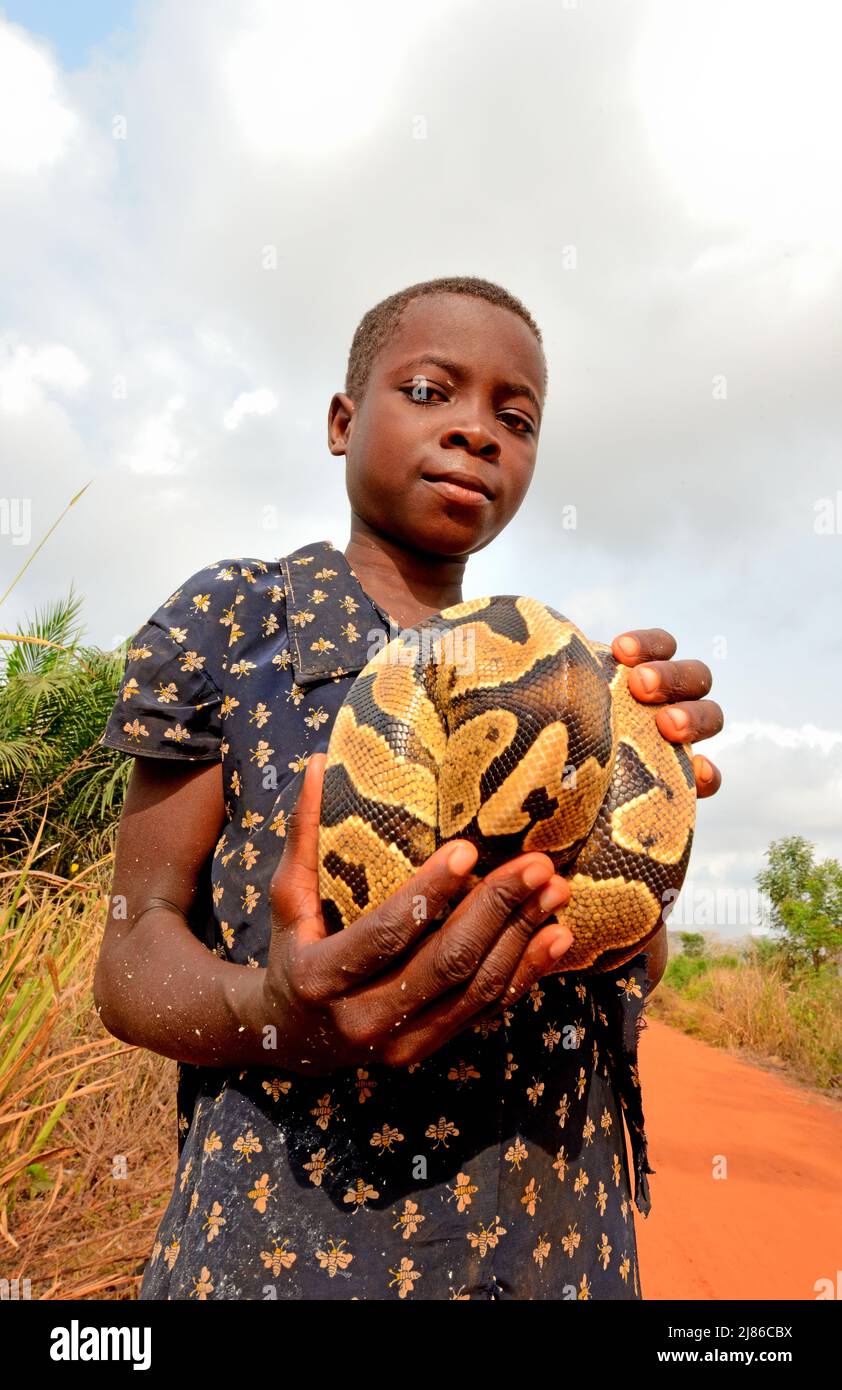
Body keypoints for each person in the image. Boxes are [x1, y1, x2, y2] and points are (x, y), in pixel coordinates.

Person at [94, 275, 723, 1300]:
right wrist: (269, 1010)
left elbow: (623, 961)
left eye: (512, 419)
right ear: (342, 423)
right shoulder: (235, 621)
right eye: (431, 392)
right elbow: (131, 953)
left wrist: (653, 802)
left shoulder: (577, 677)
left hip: (556, 1241)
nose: (476, 432)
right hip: (288, 1244)